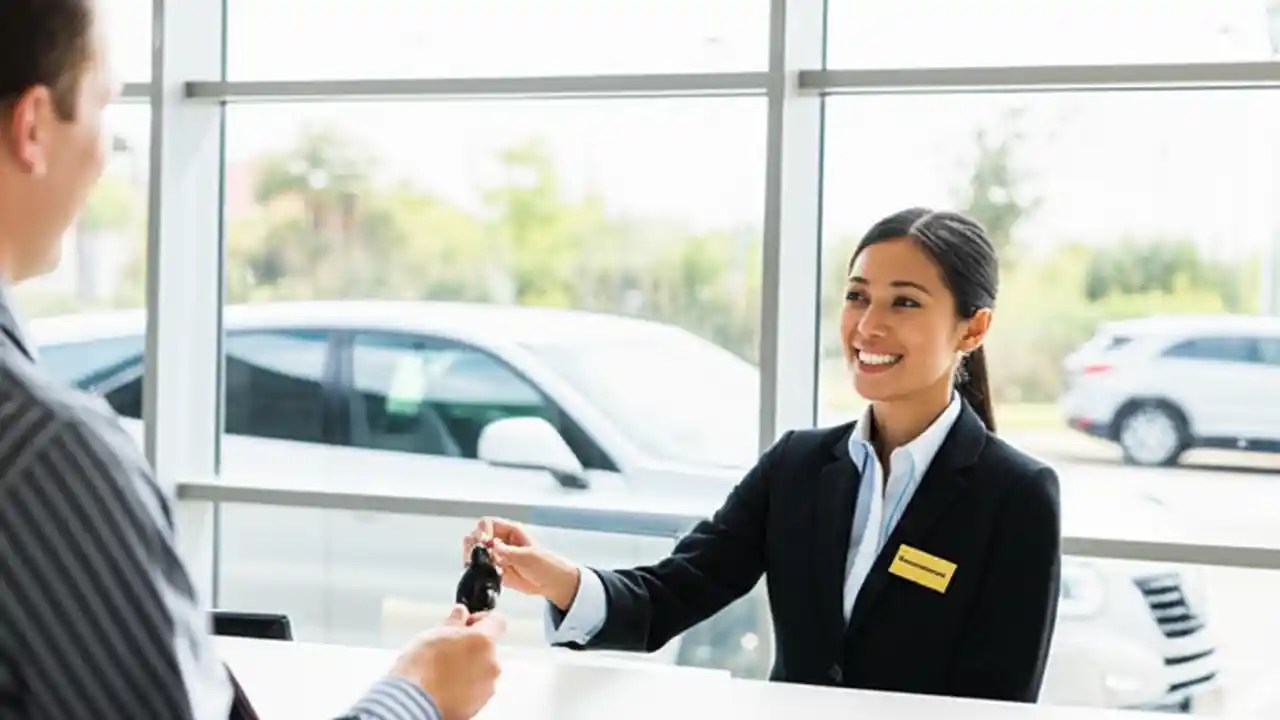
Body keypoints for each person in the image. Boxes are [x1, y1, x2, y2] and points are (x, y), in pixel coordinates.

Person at [0, 1, 504, 718]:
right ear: (33, 128)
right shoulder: (48, 457)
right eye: (104, 106)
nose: (107, 151)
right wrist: (419, 696)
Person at [466, 208, 1062, 703]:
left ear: (973, 328)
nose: (868, 326)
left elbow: (999, 704)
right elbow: (675, 592)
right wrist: (559, 579)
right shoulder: (798, 467)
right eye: (858, 297)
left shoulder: (1015, 494)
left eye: (904, 303)